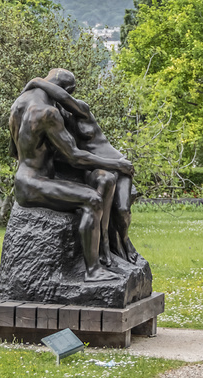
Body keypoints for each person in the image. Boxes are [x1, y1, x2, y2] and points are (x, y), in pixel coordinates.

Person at [8, 68, 134, 282]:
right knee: (92, 199)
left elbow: (13, 151)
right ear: (63, 92)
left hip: (23, 180)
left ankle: (103, 257)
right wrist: (116, 165)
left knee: (91, 192)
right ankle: (93, 270)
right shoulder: (48, 112)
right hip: (35, 184)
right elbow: (75, 157)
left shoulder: (18, 104)